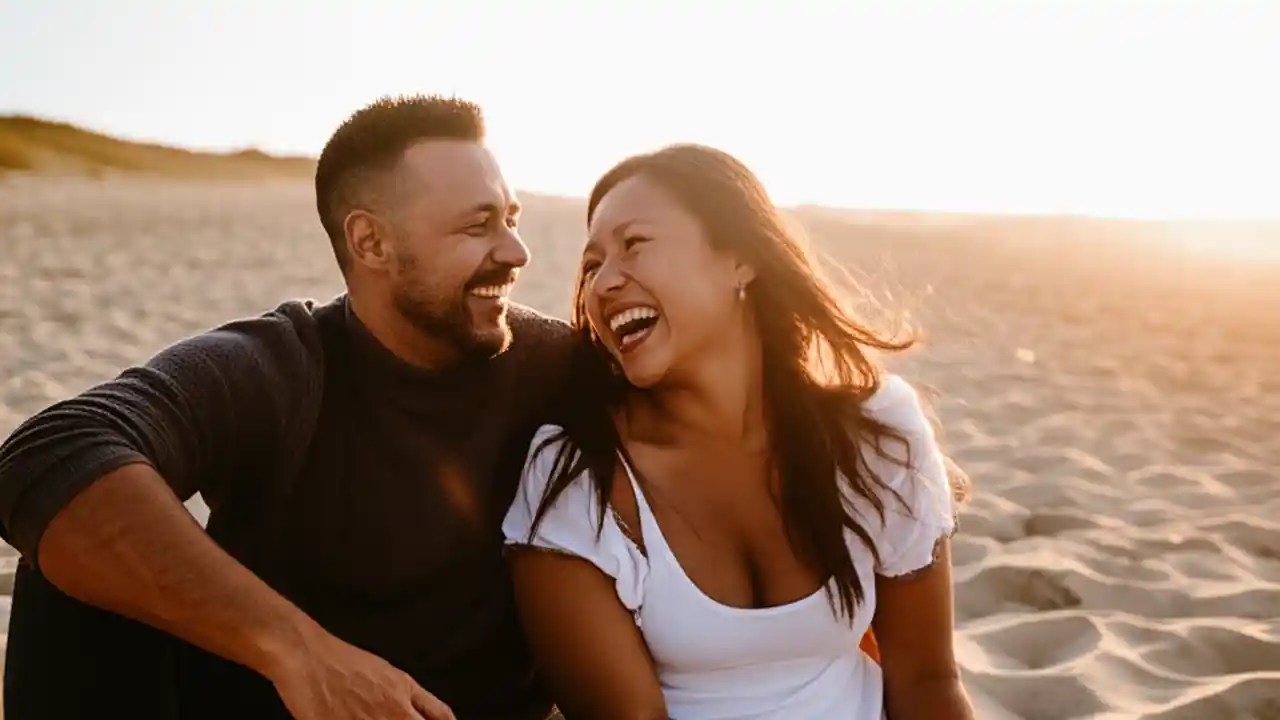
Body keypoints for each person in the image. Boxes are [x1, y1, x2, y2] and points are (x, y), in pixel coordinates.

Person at [0, 95, 572, 720]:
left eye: (511, 219)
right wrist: (303, 655)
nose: (516, 252)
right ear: (370, 241)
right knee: (70, 543)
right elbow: (48, 451)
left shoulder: (554, 366)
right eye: (478, 225)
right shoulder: (285, 365)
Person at [502, 144, 975, 719]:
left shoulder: (875, 433)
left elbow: (928, 680)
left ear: (740, 258)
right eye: (591, 264)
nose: (603, 283)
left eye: (634, 244)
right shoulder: (580, 479)